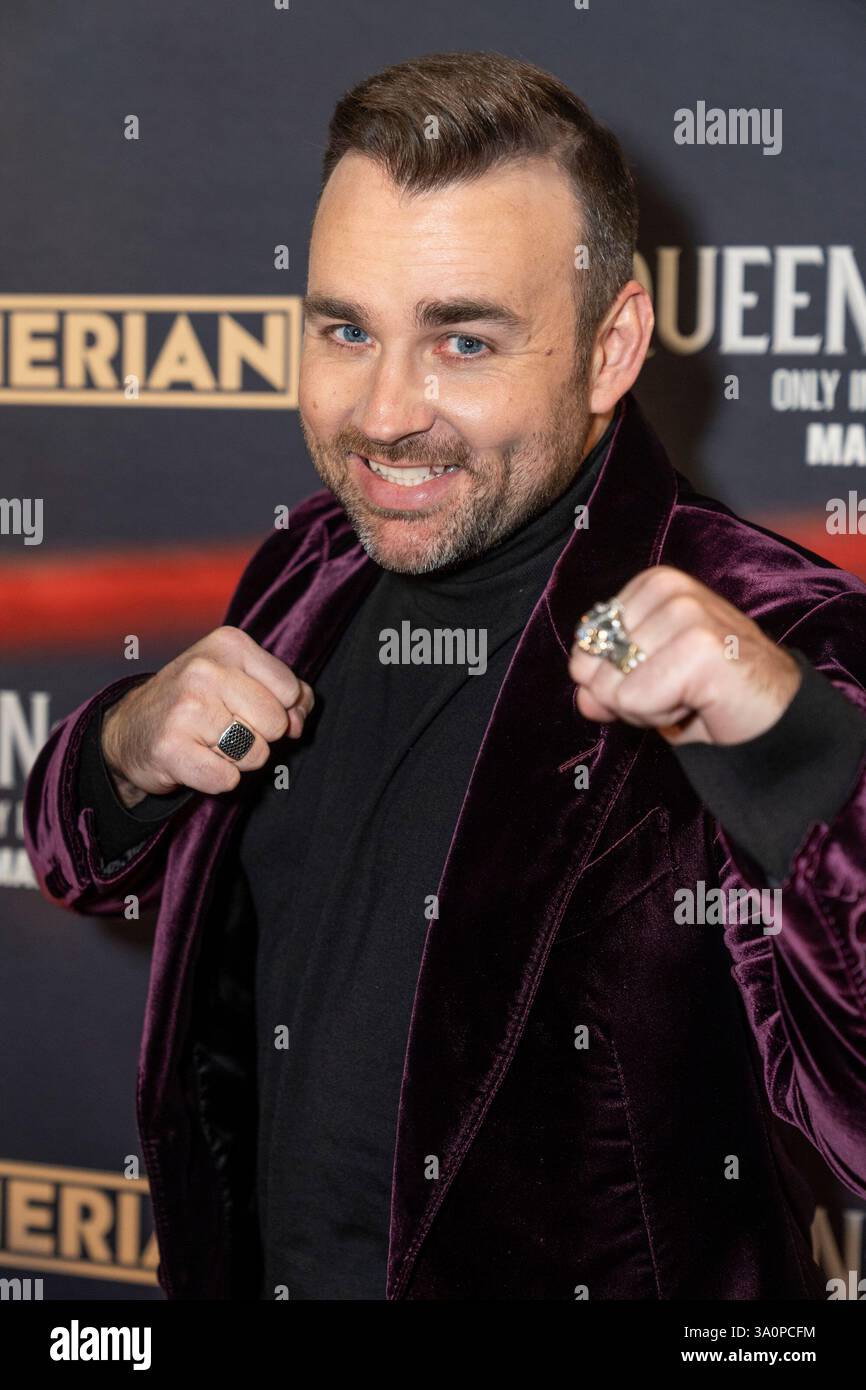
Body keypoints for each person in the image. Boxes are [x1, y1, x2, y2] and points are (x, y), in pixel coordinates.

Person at [24, 51, 866, 1301]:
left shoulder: (775, 636)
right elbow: (68, 851)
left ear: (610, 343)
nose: (382, 412)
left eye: (462, 341)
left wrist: (794, 763)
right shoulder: (310, 564)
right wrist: (126, 748)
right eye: (346, 329)